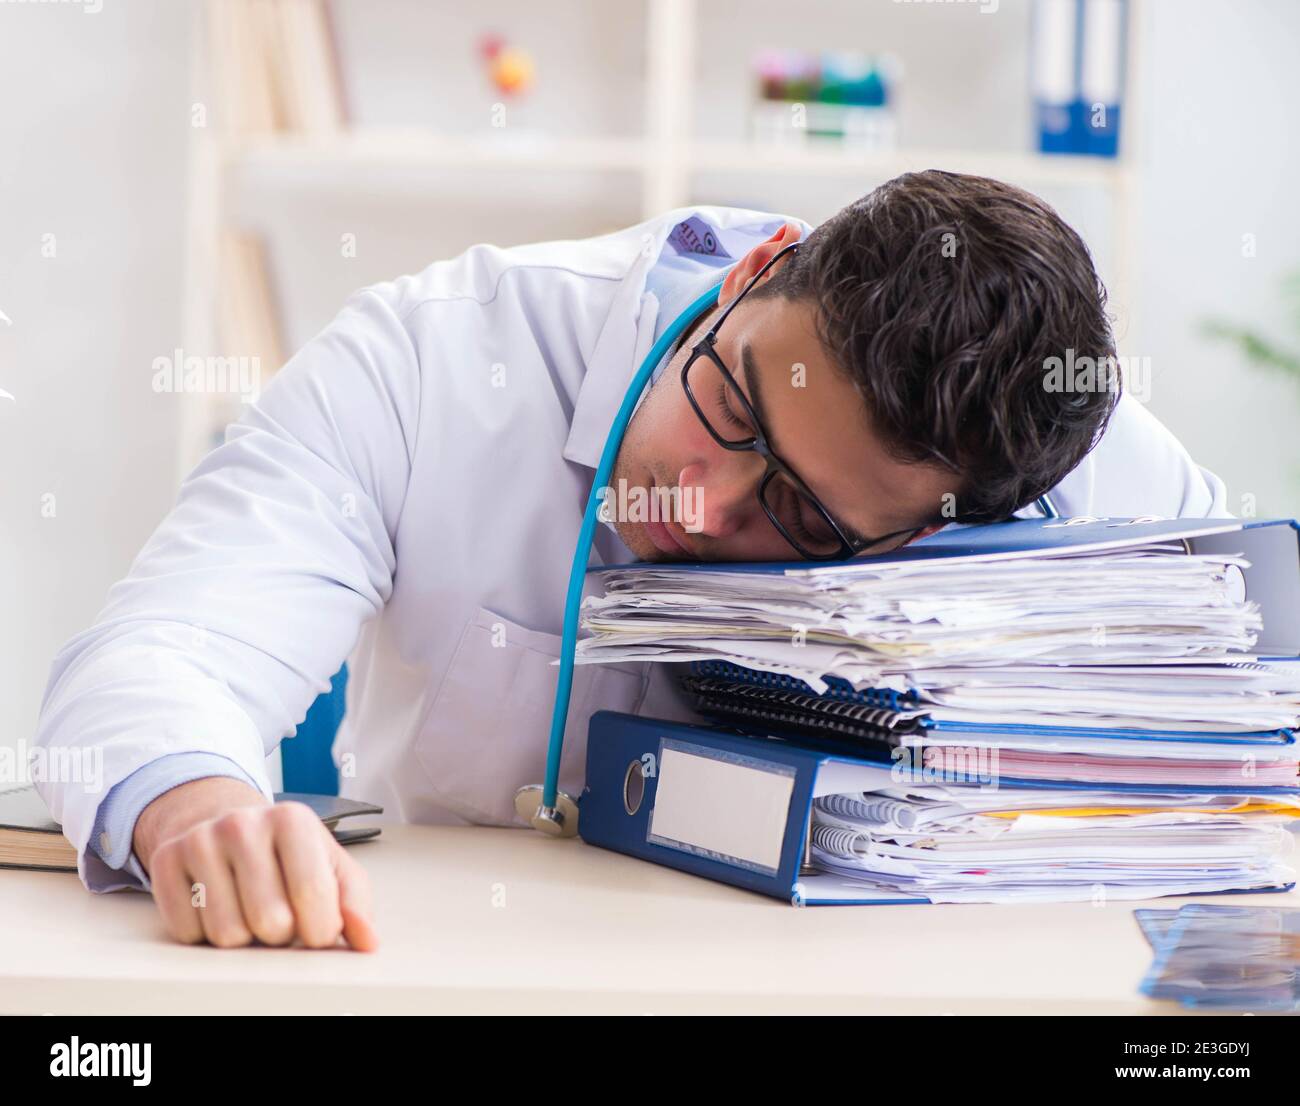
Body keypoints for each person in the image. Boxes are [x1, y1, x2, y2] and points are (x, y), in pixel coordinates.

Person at [33, 171, 1227, 950]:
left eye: (802, 516)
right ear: (755, 273)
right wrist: (198, 806)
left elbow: (1252, 682)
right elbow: (166, 646)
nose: (698, 502)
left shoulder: (1066, 449)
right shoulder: (441, 354)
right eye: (733, 405)